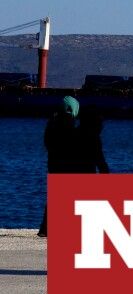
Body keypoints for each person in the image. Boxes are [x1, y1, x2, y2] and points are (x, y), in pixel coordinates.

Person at [38, 96, 81, 237]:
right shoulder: (69, 122)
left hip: (53, 163)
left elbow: (47, 142)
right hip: (67, 164)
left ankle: (45, 229)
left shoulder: (52, 122)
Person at [76, 106, 110, 174]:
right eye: (99, 122)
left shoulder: (72, 134)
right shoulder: (93, 139)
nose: (102, 126)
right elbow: (102, 165)